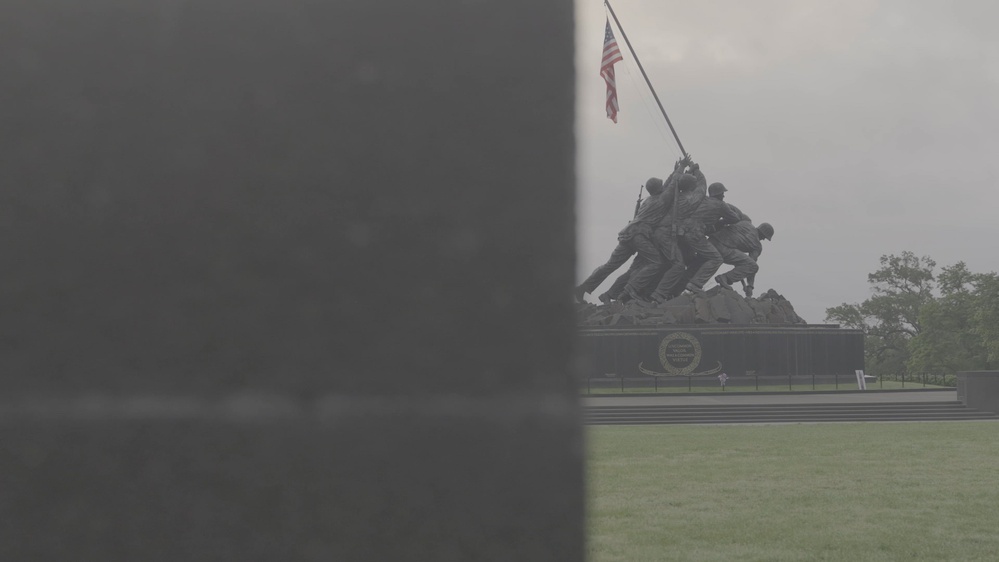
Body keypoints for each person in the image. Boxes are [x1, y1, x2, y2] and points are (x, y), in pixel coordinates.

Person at [575, 157, 689, 303]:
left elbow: (667, 185)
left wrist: (675, 170)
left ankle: (583, 287)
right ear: (658, 189)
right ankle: (632, 289)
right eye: (661, 186)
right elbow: (672, 186)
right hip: (639, 235)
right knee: (656, 262)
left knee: (610, 265)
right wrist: (682, 168)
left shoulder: (649, 199)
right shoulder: (661, 201)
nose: (663, 187)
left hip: (627, 234)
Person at [672, 165, 741, 294]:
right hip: (695, 234)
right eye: (723, 193)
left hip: (681, 232)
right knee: (716, 259)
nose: (724, 196)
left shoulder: (701, 199)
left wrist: (694, 171)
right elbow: (735, 218)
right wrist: (722, 221)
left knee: (692, 263)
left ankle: (673, 290)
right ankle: (695, 284)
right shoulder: (721, 205)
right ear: (720, 194)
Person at [710, 221, 774, 298]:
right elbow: (751, 266)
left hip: (712, 240)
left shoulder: (745, 223)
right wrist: (750, 286)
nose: (763, 239)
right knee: (753, 266)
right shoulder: (757, 245)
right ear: (763, 234)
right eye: (764, 237)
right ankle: (725, 278)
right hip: (724, 248)